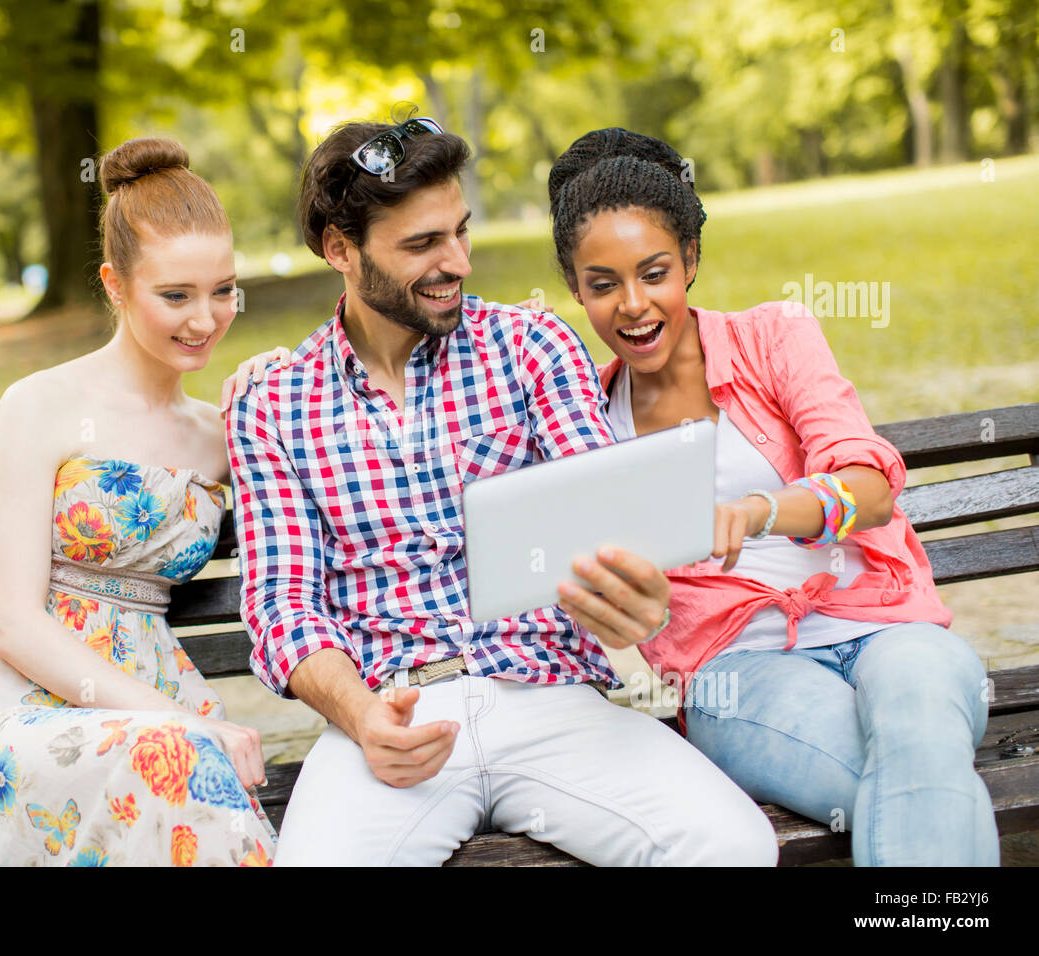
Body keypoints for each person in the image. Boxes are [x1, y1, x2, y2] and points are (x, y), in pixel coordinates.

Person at [226, 116, 780, 866]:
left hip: (550, 697)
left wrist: (635, 602)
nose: (456, 261)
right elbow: (281, 605)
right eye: (422, 245)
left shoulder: (530, 345)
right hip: (391, 712)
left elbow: (606, 522)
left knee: (732, 846)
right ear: (339, 250)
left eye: (460, 231)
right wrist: (363, 717)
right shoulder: (275, 405)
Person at [542, 127, 997, 865]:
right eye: (603, 285)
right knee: (924, 776)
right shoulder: (586, 422)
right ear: (575, 289)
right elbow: (616, 612)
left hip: (883, 622)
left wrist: (760, 512)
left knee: (918, 729)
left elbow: (870, 490)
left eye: (654, 272)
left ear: (690, 260)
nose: (633, 305)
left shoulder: (773, 336)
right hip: (737, 672)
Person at [0, 137, 287, 866]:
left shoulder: (220, 432)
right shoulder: (39, 406)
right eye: (176, 295)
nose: (206, 319)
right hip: (12, 703)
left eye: (223, 289)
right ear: (114, 284)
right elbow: (13, 623)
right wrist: (173, 719)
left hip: (147, 692)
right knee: (175, 753)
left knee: (177, 766)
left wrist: (278, 388)